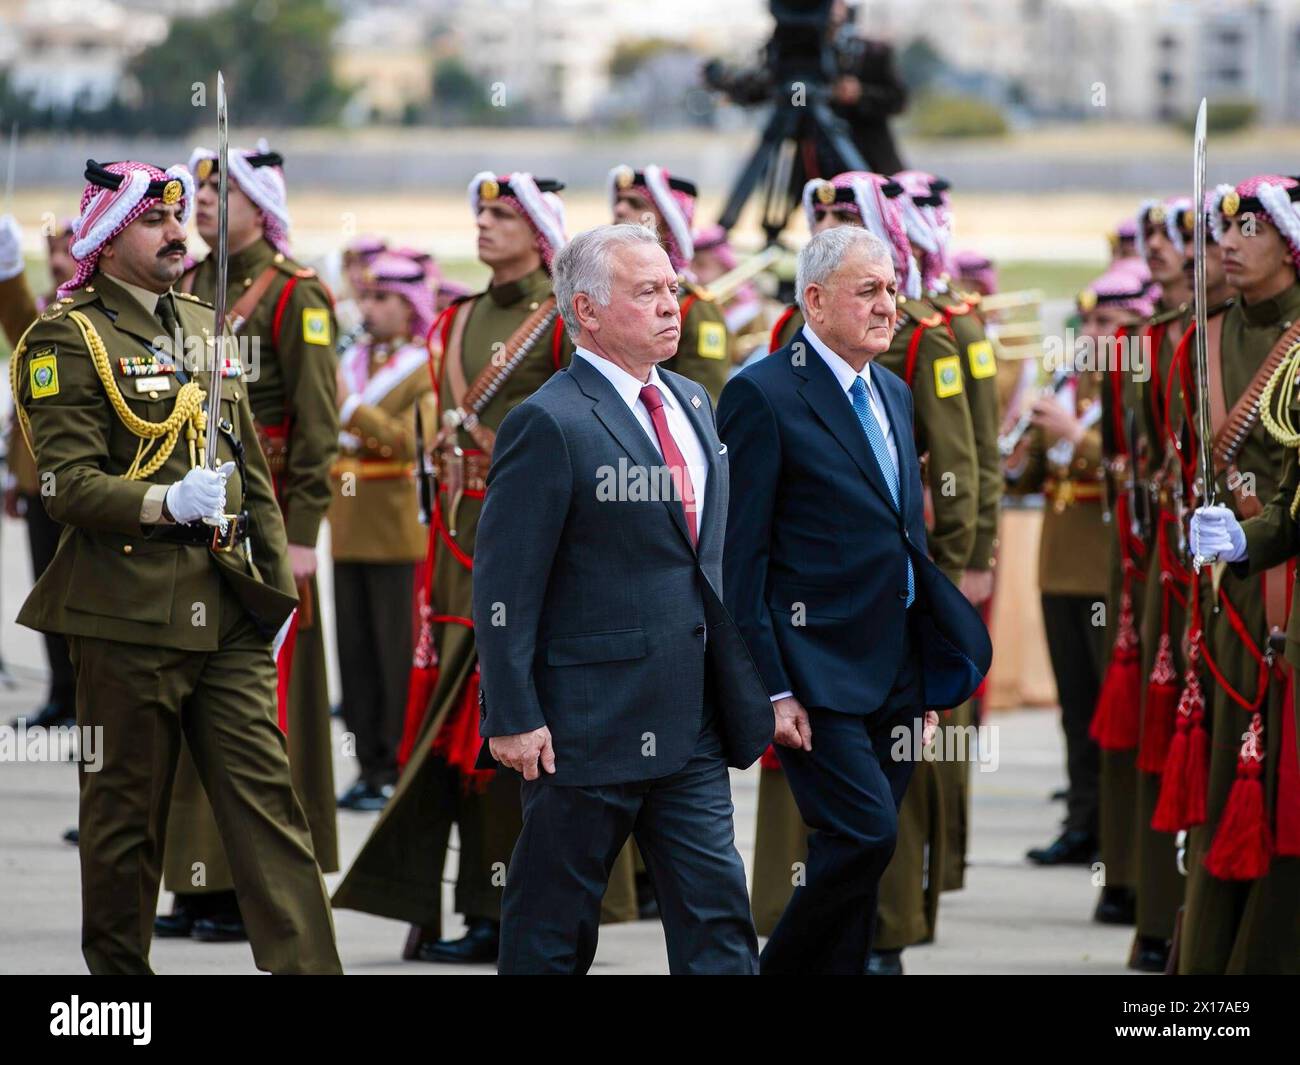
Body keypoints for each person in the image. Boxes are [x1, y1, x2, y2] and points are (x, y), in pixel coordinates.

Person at [9, 158, 341, 974]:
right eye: (154, 222)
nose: (176, 235)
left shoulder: (203, 325)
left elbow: (248, 470)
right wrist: (164, 503)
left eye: (178, 218)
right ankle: (121, 994)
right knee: (125, 820)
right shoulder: (68, 337)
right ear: (109, 236)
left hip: (223, 609)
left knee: (269, 804)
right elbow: (67, 484)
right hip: (124, 613)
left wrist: (275, 582)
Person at [332, 172, 642, 965]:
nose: (484, 224)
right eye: (479, 212)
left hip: (540, 556)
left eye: (502, 214)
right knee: (465, 746)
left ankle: (518, 914)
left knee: (514, 741)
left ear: (538, 229)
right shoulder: (459, 317)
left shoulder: (565, 317)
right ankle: (481, 906)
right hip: (459, 550)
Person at [472, 222, 773, 974]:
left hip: (693, 719)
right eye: (650, 292)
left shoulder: (695, 402)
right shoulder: (551, 419)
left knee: (719, 924)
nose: (675, 304)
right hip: (584, 726)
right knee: (553, 928)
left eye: (674, 288)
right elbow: (505, 583)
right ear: (589, 310)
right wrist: (512, 713)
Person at [720, 223, 990, 974]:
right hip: (815, 672)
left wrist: (928, 673)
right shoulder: (762, 394)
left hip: (897, 668)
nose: (888, 305)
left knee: (855, 853)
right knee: (866, 835)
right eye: (868, 289)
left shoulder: (894, 392)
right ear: (814, 299)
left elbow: (905, 538)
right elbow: (742, 560)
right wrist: (771, 687)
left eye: (893, 289)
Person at [152, 142, 339, 943]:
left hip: (262, 532)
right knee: (192, 703)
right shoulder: (189, 284)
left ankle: (245, 891)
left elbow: (317, 424)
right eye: (195, 193)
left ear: (261, 206)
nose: (199, 205)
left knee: (264, 718)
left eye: (218, 194)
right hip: (194, 517)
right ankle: (197, 880)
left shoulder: (298, 294)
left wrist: (300, 537)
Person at [1183, 174, 1300, 974]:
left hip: (1282, 584)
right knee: (1228, 767)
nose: (1228, 240)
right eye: (1224, 227)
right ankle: (1207, 961)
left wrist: (1250, 533)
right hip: (1222, 586)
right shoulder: (1204, 334)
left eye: (1250, 227)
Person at [1014, 267, 1150, 873]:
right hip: (1058, 568)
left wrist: (1077, 436)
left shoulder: (1141, 383)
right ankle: (1081, 822)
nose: (1091, 332)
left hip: (1105, 570)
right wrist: (1018, 455)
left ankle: (1113, 834)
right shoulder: (1074, 382)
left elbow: (1140, 469)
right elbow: (1037, 474)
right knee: (1074, 707)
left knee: (1106, 705)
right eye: (1088, 321)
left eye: (1106, 322)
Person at [329, 251, 438, 809]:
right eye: (367, 297)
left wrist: (350, 413)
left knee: (395, 653)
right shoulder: (354, 361)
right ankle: (368, 766)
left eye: (383, 299)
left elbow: (408, 439)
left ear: (409, 305)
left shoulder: (425, 365)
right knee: (355, 654)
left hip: (396, 532)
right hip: (347, 527)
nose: (369, 308)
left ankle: (396, 766)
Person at [1, 215, 77, 730]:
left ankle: (82, 702)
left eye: (66, 249)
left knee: (78, 600)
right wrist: (12, 475)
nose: (55, 259)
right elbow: (22, 399)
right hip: (37, 482)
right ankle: (60, 695)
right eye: (50, 250)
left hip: (79, 487)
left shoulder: (88, 314)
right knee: (46, 596)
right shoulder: (48, 311)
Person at [609, 164, 731, 401]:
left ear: (668, 221)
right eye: (619, 201)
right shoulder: (602, 295)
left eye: (636, 204)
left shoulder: (694, 308)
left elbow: (703, 402)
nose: (619, 209)